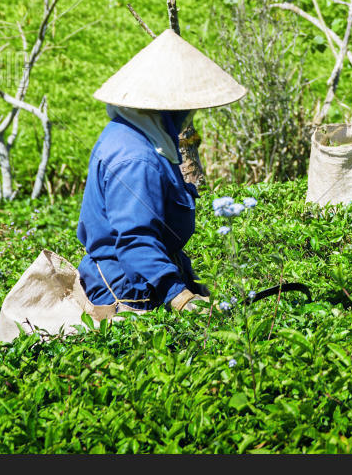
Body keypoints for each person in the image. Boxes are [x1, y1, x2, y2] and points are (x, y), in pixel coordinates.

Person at [77, 27, 248, 314]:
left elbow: (157, 226)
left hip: (143, 279)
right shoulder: (136, 160)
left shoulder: (141, 134)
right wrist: (178, 295)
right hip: (131, 291)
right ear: (166, 109)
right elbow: (136, 240)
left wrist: (190, 279)